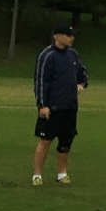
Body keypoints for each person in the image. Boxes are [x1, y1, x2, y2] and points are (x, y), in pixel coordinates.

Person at [32, 23, 89, 186]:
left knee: (66, 142)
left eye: (72, 35)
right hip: (52, 107)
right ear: (57, 37)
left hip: (70, 107)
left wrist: (81, 84)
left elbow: (83, 73)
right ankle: (37, 175)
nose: (72, 38)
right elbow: (41, 82)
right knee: (45, 141)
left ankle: (62, 173)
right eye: (68, 35)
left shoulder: (73, 54)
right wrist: (42, 105)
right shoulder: (47, 55)